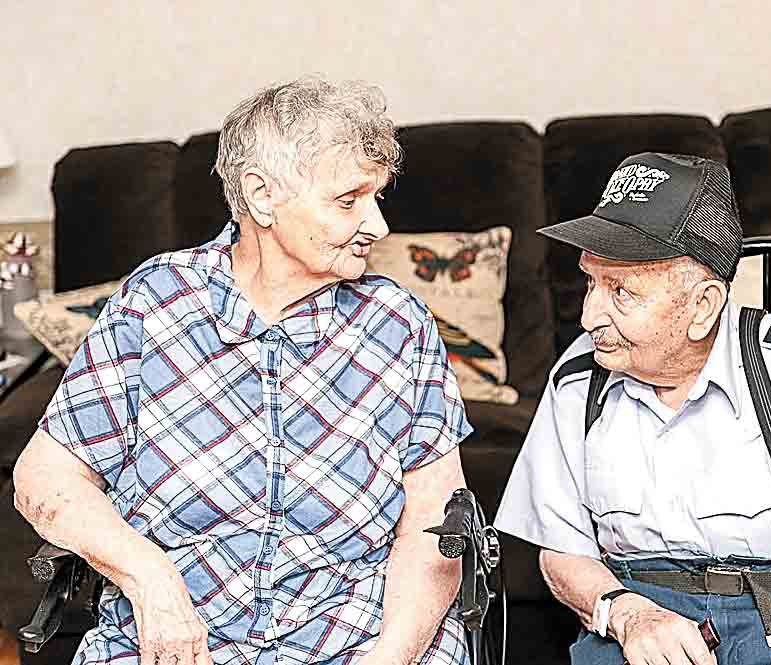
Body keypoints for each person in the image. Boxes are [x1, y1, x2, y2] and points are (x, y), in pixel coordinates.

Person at [14, 77, 472, 665]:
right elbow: (42, 480)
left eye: (377, 197)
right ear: (261, 197)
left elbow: (439, 526)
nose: (377, 225)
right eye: (349, 199)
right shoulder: (154, 303)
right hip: (172, 641)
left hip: (358, 641)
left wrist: (388, 658)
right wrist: (152, 581)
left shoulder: (397, 323)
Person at [494, 152, 771, 665]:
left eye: (622, 292)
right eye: (591, 282)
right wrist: (630, 615)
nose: (591, 315)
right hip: (645, 624)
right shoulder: (576, 383)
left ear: (702, 307)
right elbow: (560, 551)